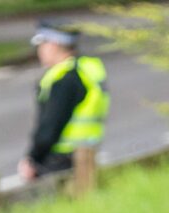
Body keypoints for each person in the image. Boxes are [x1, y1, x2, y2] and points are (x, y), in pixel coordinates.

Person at [19, 22, 109, 181]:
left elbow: (50, 127)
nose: (39, 51)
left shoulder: (64, 79)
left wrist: (32, 159)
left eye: (42, 45)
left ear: (54, 45)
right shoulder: (88, 68)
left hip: (60, 161)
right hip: (87, 152)